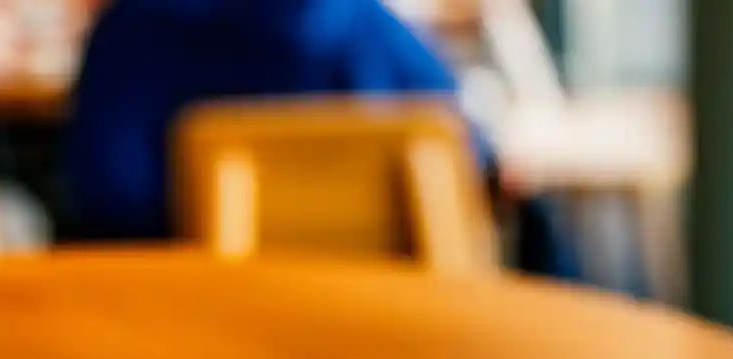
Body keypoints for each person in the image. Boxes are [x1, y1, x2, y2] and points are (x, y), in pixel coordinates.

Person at [66, 0, 576, 276]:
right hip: (385, 338)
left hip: (181, 338)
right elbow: (465, 158)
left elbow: (106, 204)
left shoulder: (131, 31)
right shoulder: (370, 26)